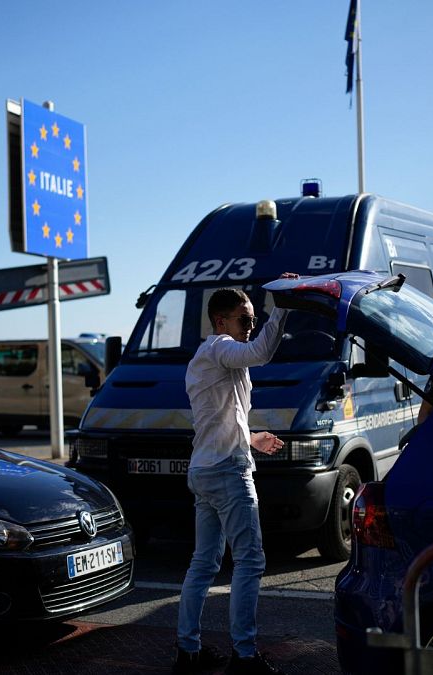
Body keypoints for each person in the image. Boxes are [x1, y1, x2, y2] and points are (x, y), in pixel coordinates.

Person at [173, 280, 295, 675]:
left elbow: (219, 415)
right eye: (245, 319)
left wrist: (252, 436)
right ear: (220, 320)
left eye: (254, 319)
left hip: (205, 468)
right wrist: (282, 308)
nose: (250, 326)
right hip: (227, 470)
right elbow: (261, 352)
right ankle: (244, 657)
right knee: (249, 561)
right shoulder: (222, 347)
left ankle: (187, 651)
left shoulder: (209, 357)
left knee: (204, 563)